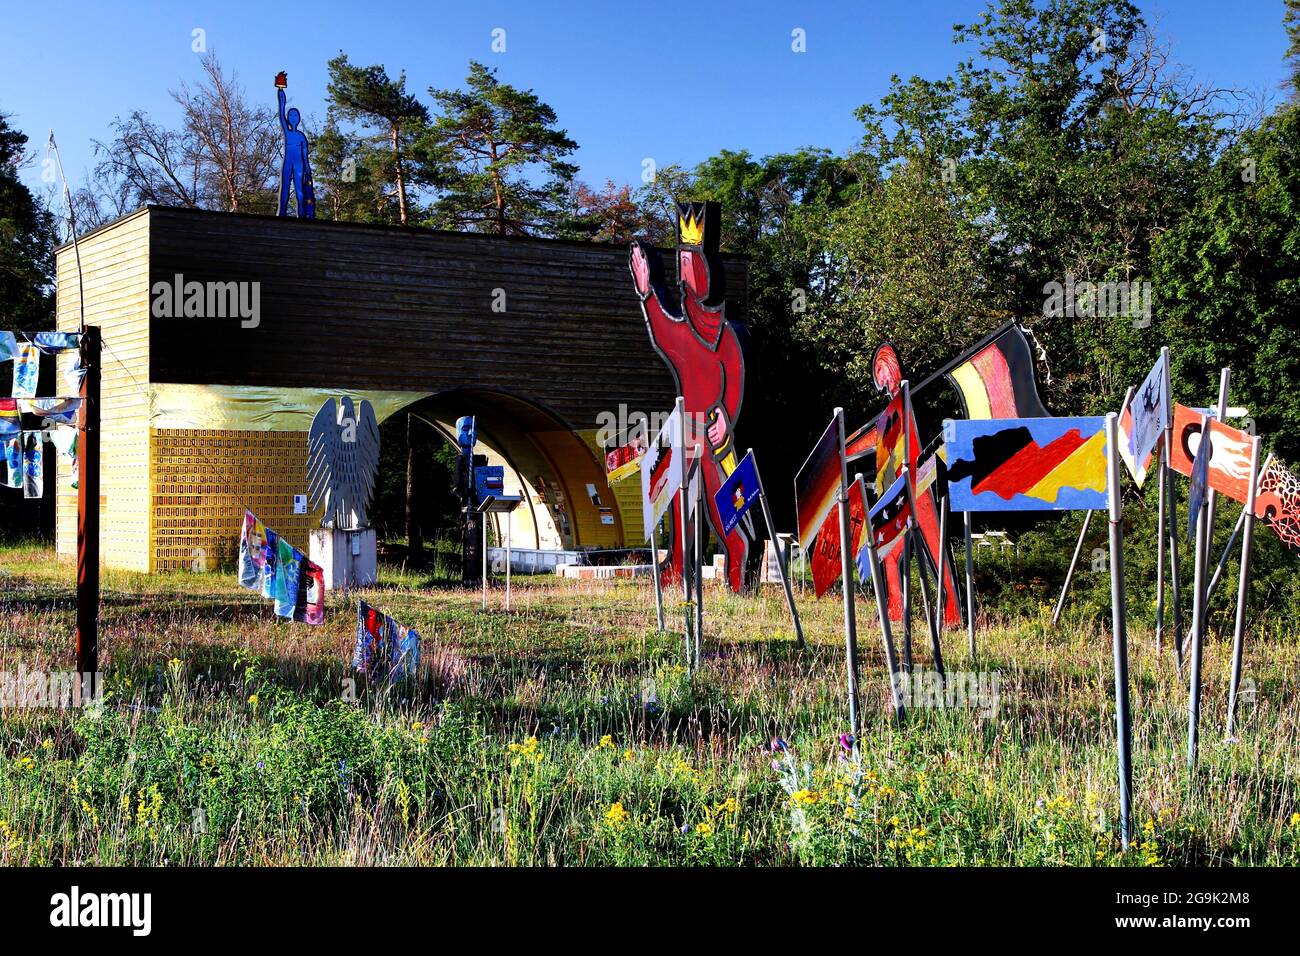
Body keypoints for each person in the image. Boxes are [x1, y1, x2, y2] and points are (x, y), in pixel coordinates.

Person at [275, 72, 315, 218]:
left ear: (299, 119)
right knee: (284, 187)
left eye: (295, 115)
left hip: (299, 164)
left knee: (300, 189)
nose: (293, 117)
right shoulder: (287, 132)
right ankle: (282, 212)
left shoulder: (301, 136)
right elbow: (281, 111)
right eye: (290, 115)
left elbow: (305, 155)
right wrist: (280, 91)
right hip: (288, 162)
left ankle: (302, 214)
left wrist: (308, 170)